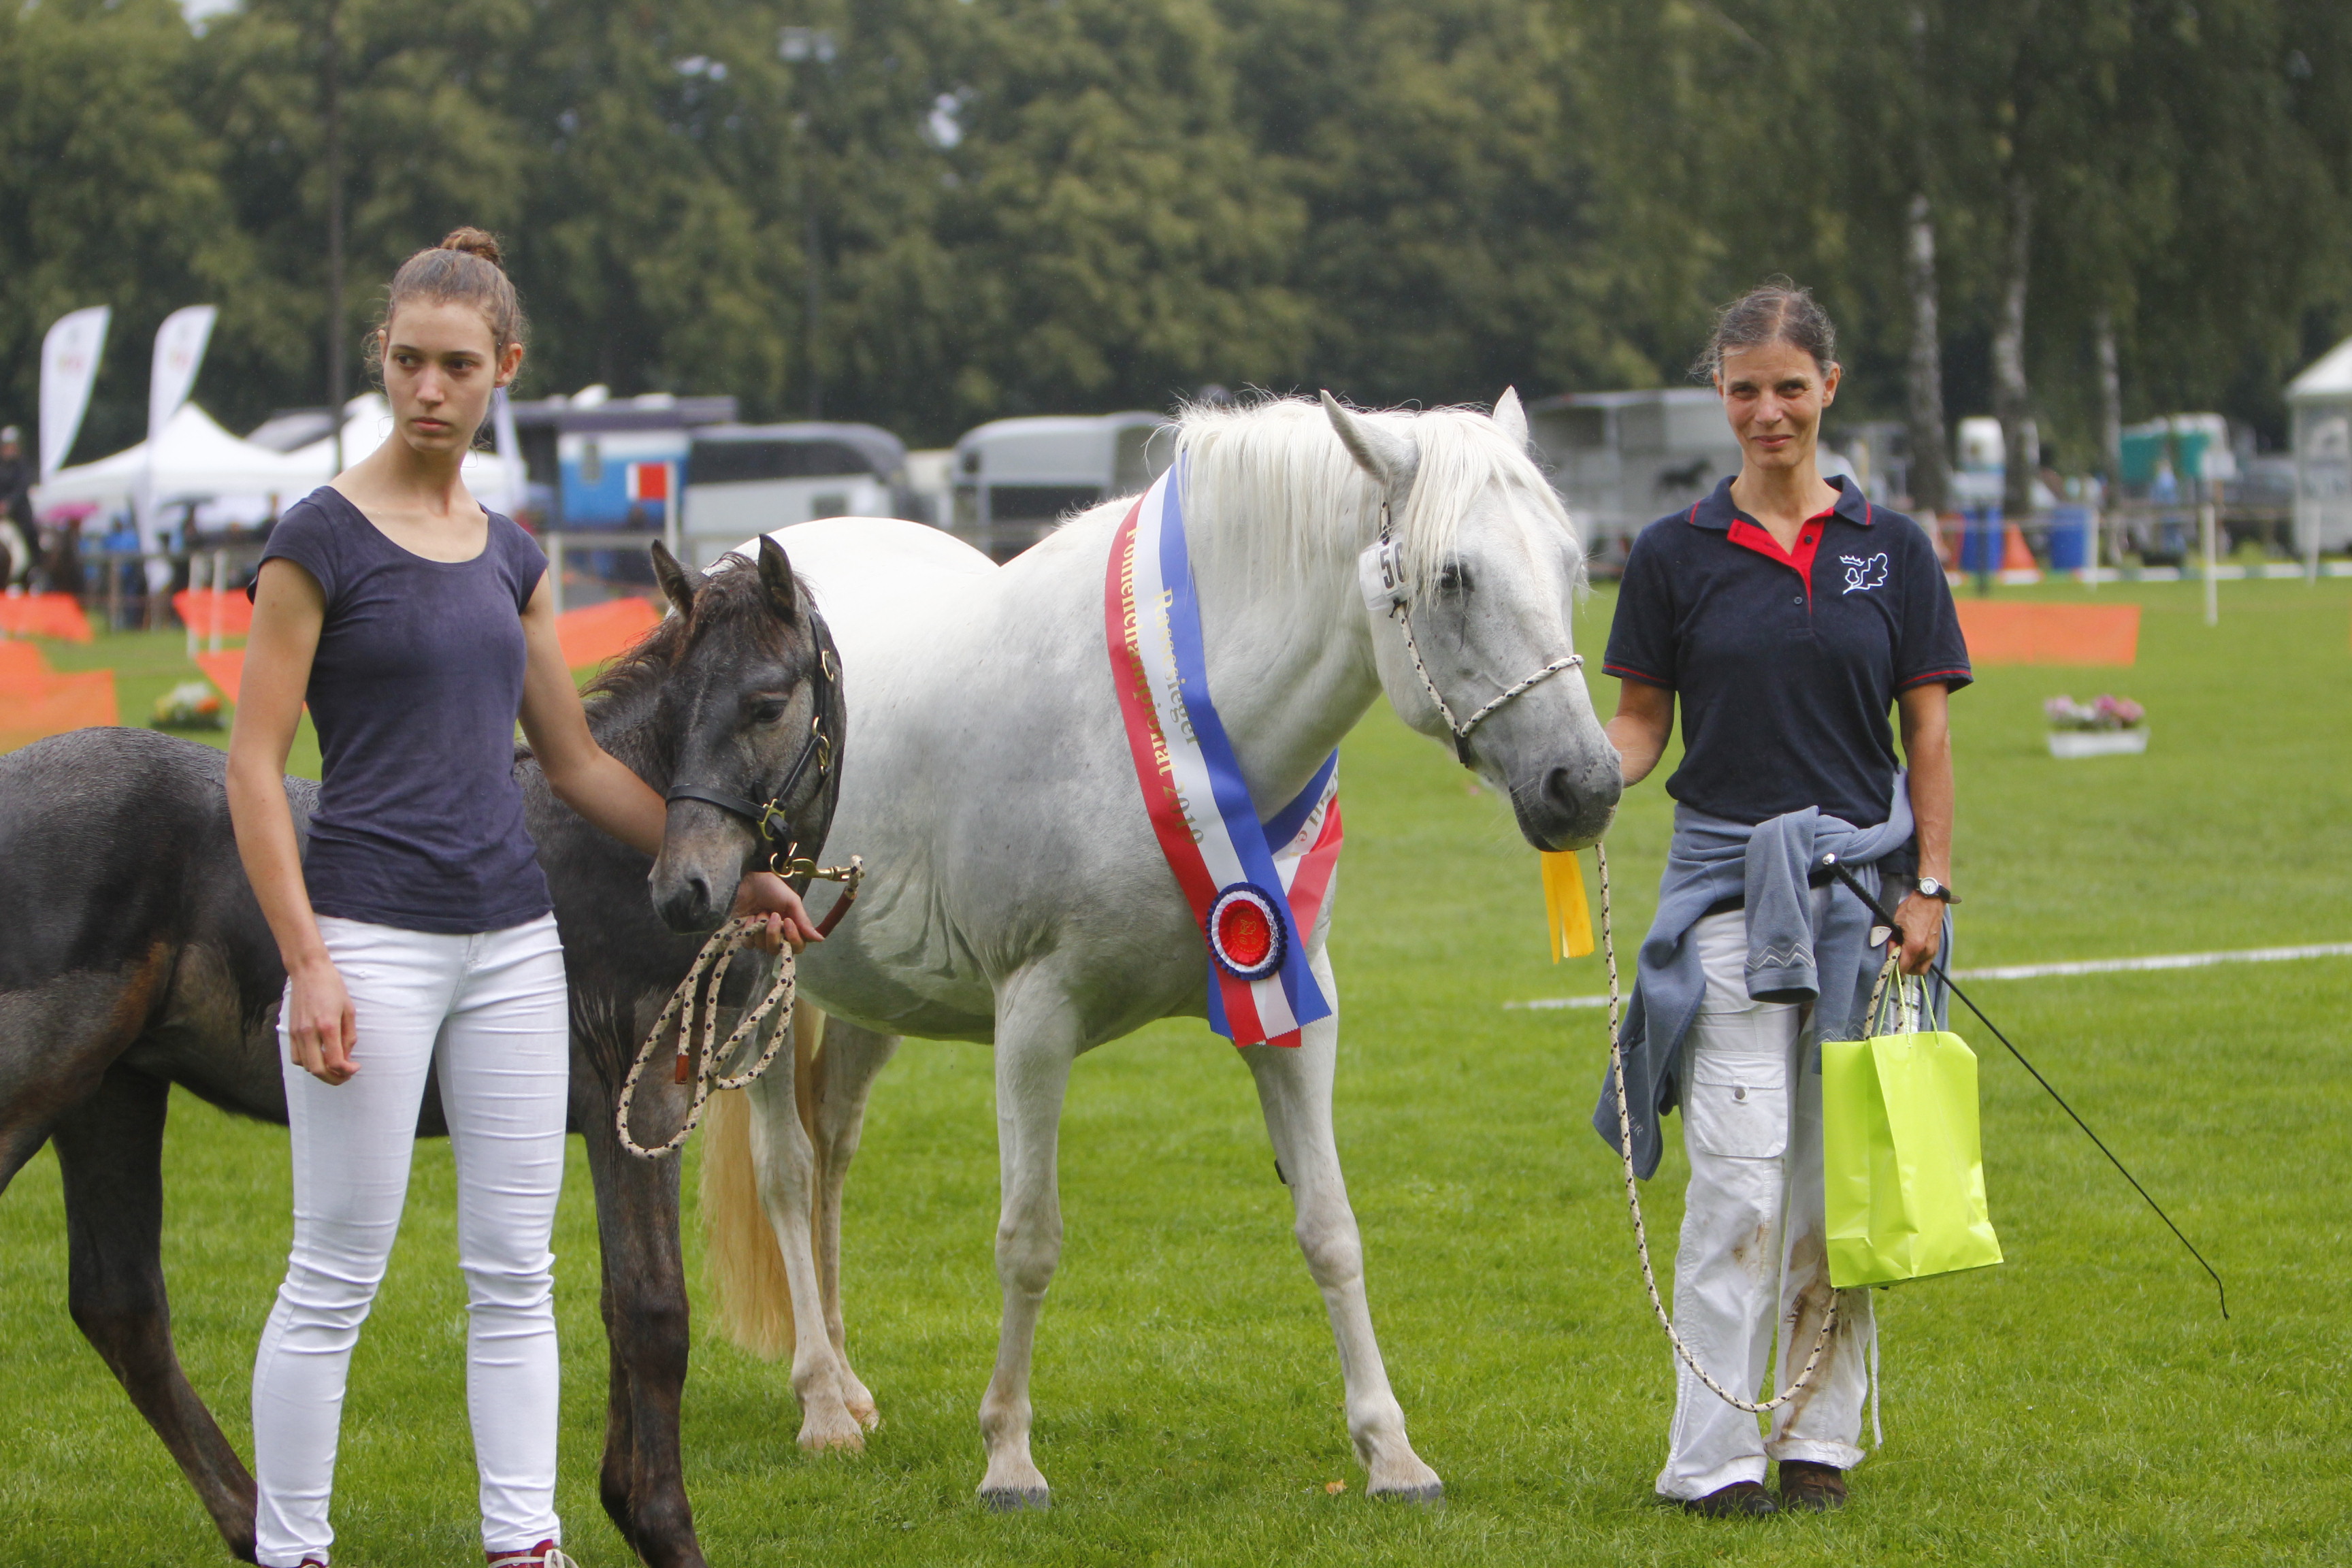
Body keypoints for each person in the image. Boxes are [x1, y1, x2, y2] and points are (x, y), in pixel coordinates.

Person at [226, 228, 821, 1568]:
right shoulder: (316, 541)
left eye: (456, 365)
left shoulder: (513, 556)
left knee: (516, 1274)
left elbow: (575, 765)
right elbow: (254, 767)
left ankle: (526, 1543)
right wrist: (308, 960)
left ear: (505, 368)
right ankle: (292, 1550)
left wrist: (743, 878)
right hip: (368, 938)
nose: (428, 389)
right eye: (406, 362)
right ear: (382, 361)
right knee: (334, 1275)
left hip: (509, 947)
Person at [1593, 280, 1970, 1518]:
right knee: (1741, 1181)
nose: (1769, 412)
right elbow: (1641, 726)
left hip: (1867, 899)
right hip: (1725, 893)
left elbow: (1927, 736)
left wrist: (1929, 887)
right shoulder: (1672, 553)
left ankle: (1820, 1443)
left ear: (1828, 389)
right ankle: (1710, 1461)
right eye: (1746, 389)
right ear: (1721, 394)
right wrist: (1584, 774)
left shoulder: (1892, 549)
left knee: (1834, 1188)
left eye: (1790, 388)